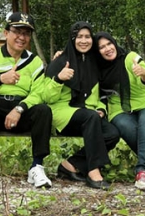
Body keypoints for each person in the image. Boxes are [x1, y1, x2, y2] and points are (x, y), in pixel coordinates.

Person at [0, 12, 53, 191]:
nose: (21, 37)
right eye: (17, 31)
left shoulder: (34, 61)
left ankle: (37, 166)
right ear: (6, 33)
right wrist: (0, 79)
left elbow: (38, 93)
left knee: (43, 110)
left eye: (26, 33)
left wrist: (20, 108)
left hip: (20, 109)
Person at [43, 21, 120, 190]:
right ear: (72, 39)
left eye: (87, 37)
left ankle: (70, 165)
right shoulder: (60, 62)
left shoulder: (94, 63)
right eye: (79, 37)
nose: (83, 41)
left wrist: (100, 108)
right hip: (62, 115)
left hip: (88, 115)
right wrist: (58, 79)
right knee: (90, 117)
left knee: (112, 133)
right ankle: (93, 172)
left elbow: (98, 95)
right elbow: (46, 97)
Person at [94, 32, 145, 191]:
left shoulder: (130, 58)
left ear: (114, 42)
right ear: (97, 52)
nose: (107, 49)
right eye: (101, 47)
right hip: (117, 108)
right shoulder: (96, 69)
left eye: (109, 44)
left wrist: (144, 75)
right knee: (124, 125)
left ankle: (142, 170)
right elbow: (98, 95)